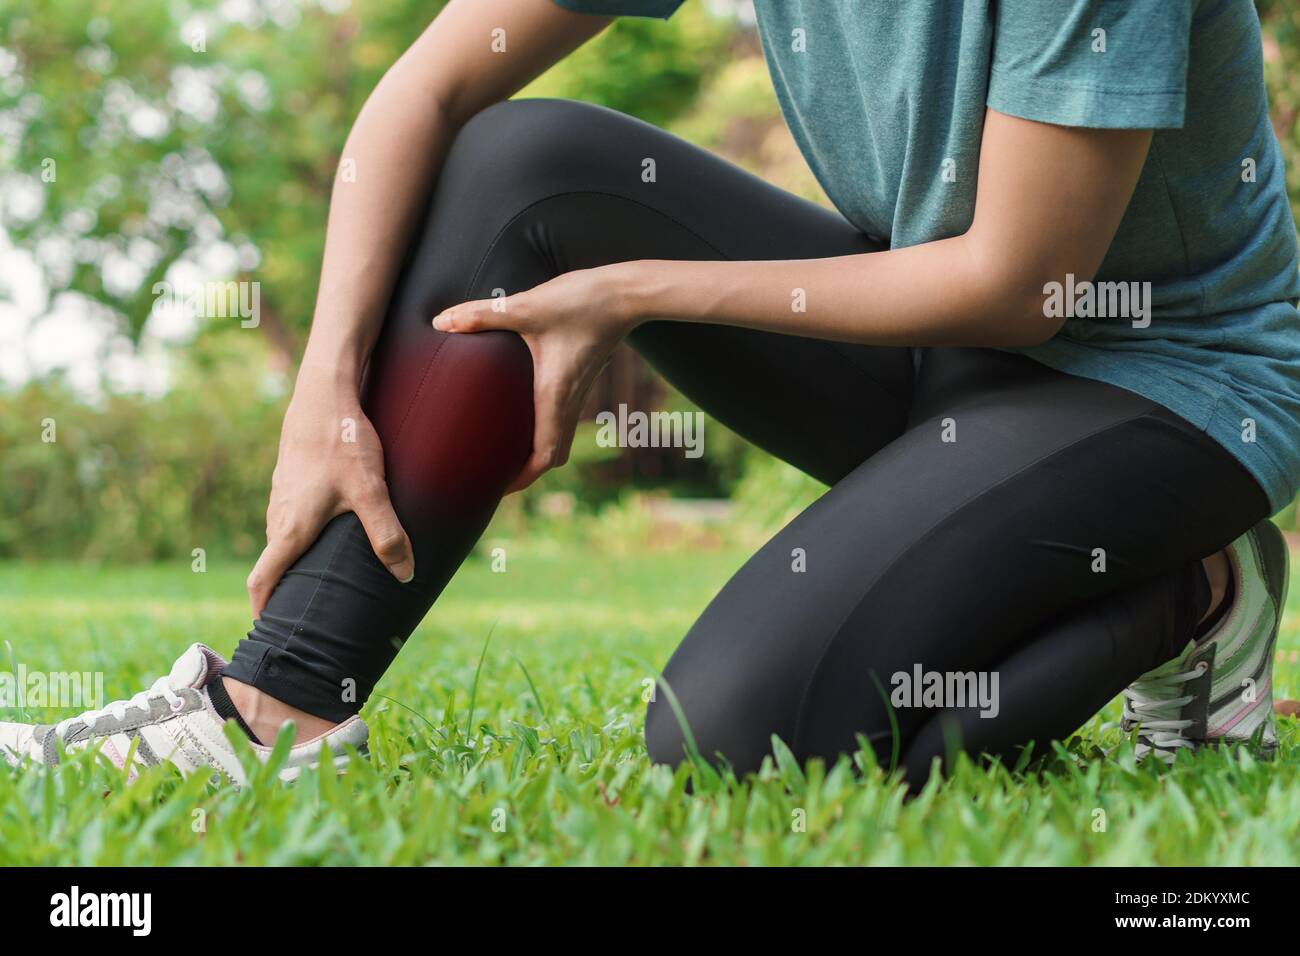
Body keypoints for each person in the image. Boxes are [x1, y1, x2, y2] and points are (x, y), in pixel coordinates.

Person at [4, 0, 1296, 790]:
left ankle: (1187, 586)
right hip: (940, 350)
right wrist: (324, 382)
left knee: (740, 742)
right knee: (529, 158)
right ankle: (272, 707)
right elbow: (429, 89)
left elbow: (1023, 283)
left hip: (1165, 381)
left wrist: (631, 291)